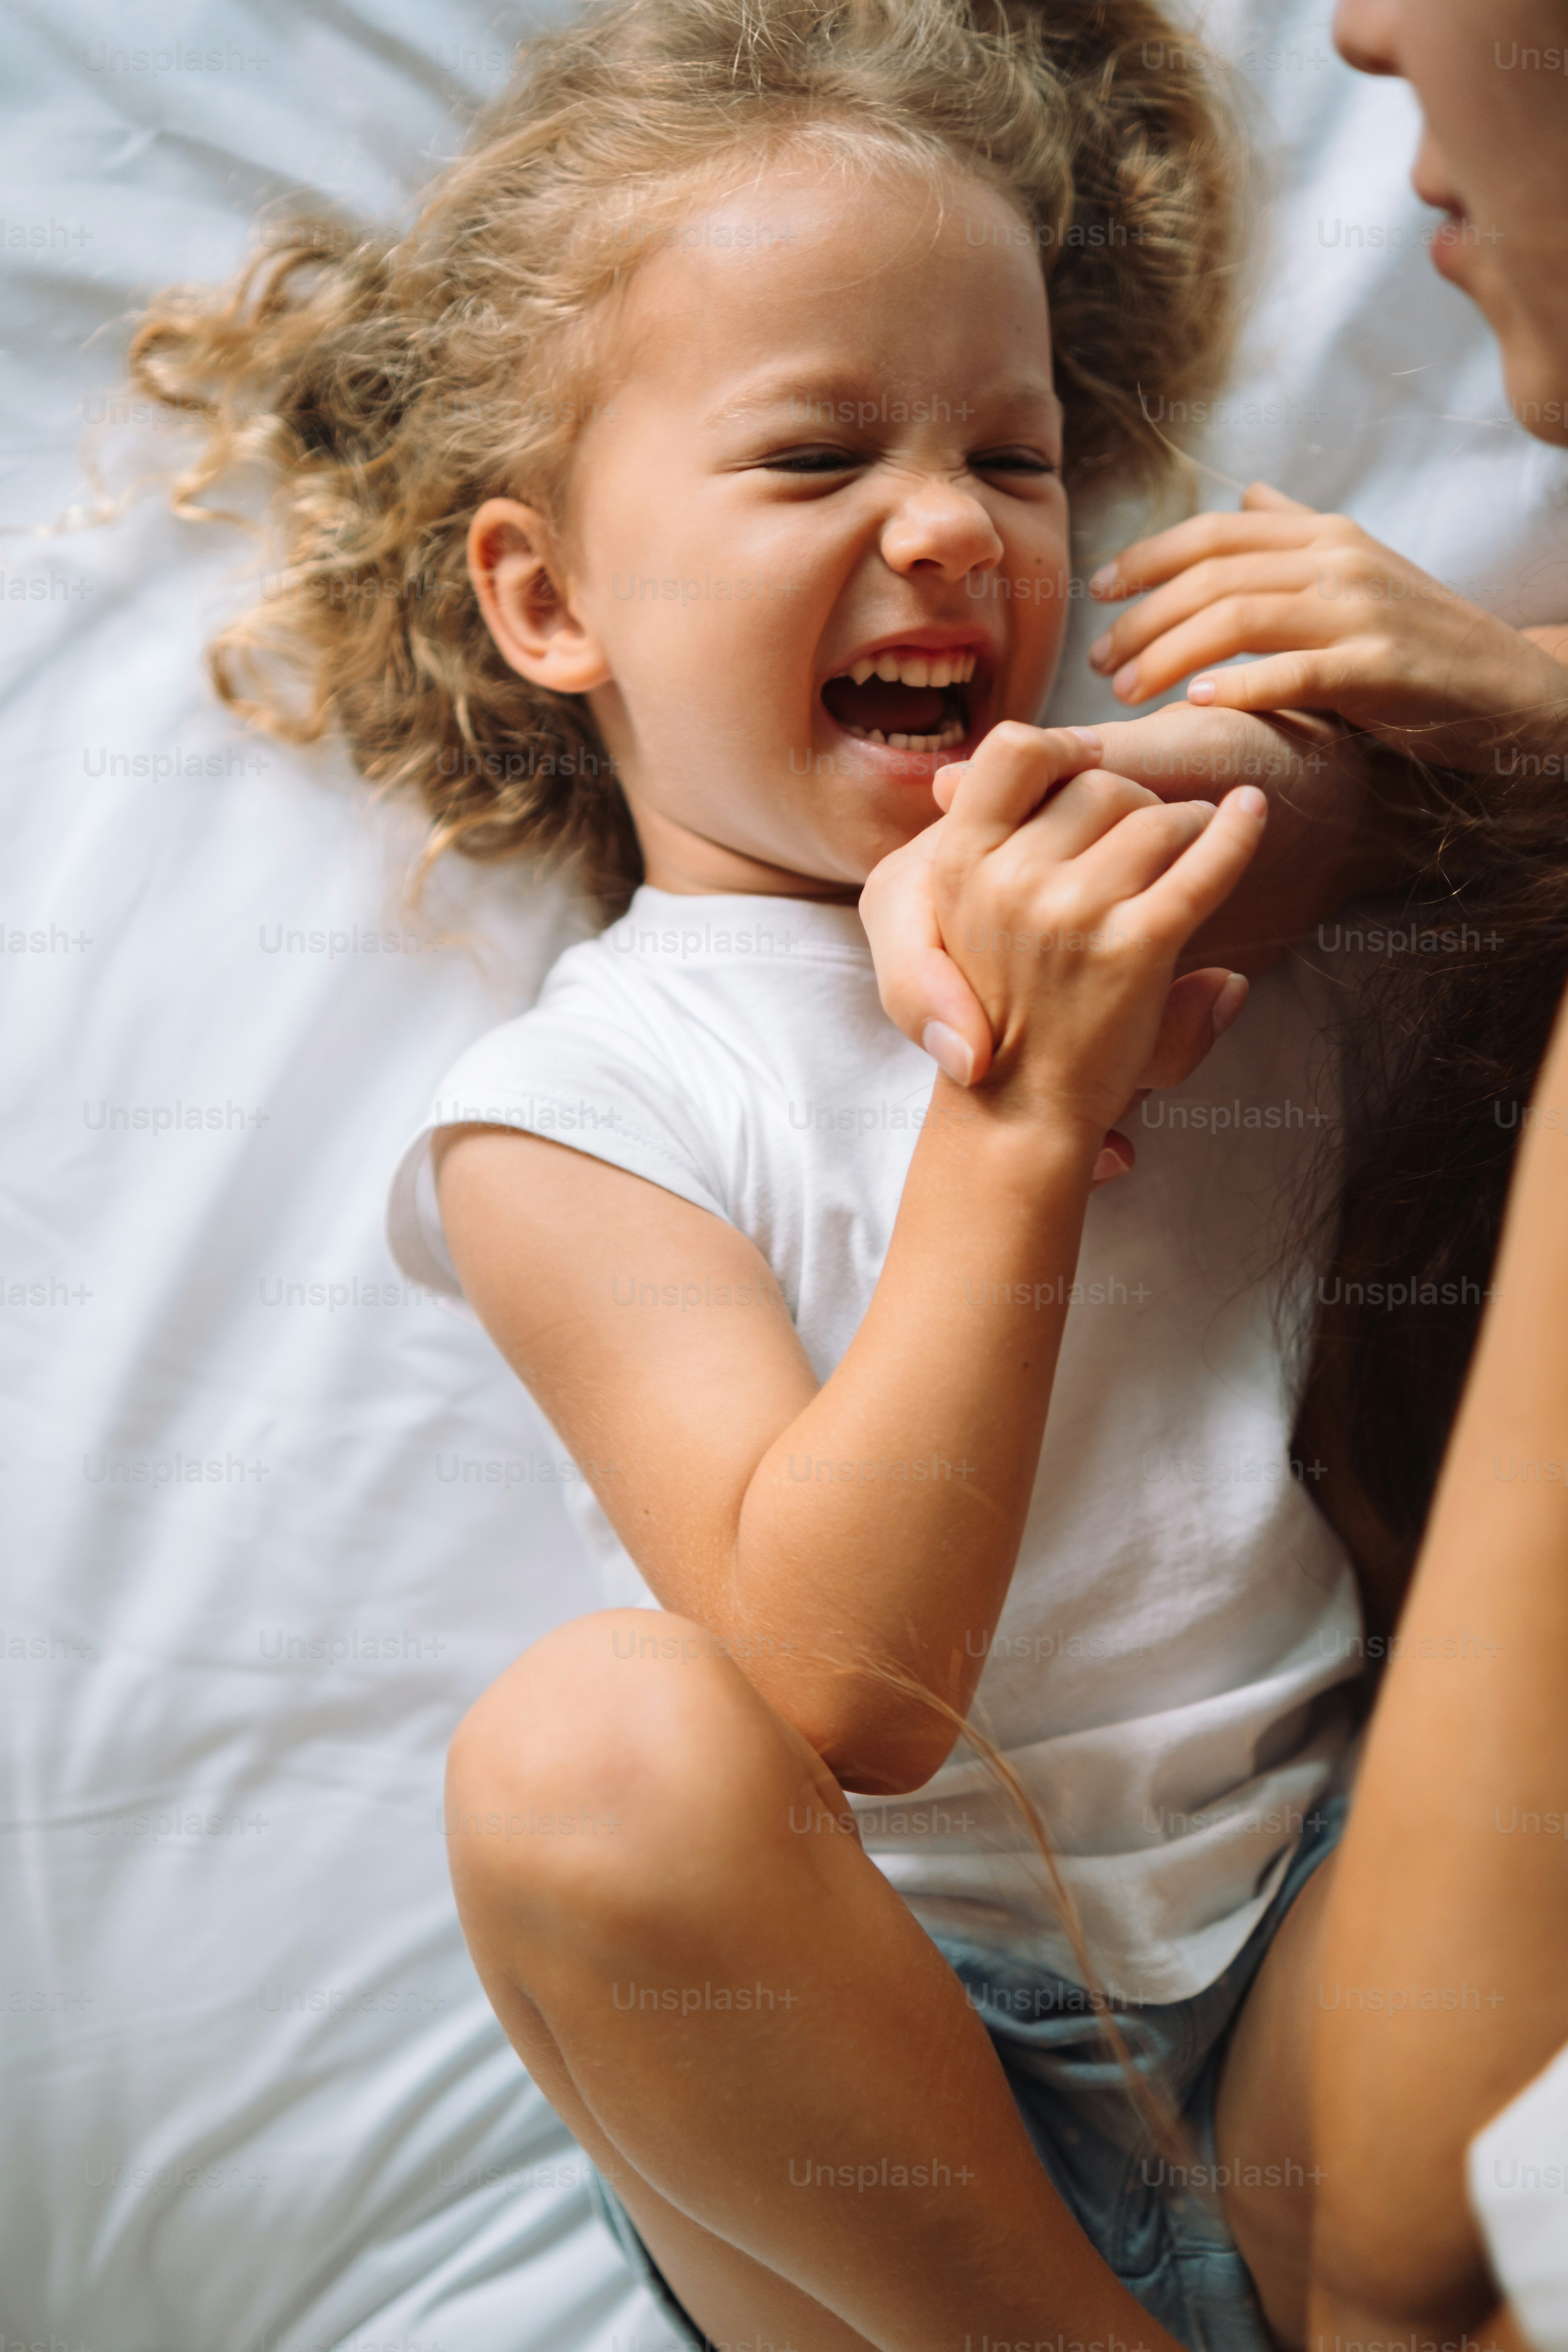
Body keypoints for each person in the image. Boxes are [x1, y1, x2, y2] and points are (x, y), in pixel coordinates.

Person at [121, 2, 1565, 2347]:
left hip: (1320, 1946)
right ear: (547, 600)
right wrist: (1010, 1135)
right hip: (900, 2101)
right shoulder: (589, 1109)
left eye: (1012, 452)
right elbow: (842, 1690)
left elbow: (1446, 824)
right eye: (814, 457)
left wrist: (1241, 772)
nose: (946, 525)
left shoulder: (1169, 859)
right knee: (586, 1759)